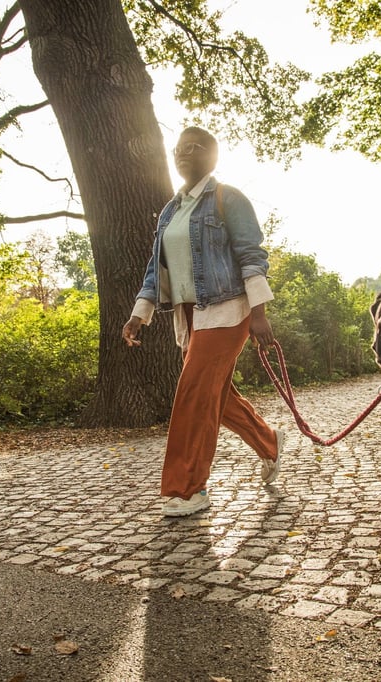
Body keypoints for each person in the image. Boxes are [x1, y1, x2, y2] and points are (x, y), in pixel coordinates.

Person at [122, 126, 284, 517]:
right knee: (217, 396)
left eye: (194, 148)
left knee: (194, 395)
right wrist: (138, 314)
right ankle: (268, 442)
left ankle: (186, 488)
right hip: (190, 315)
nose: (183, 154)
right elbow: (155, 268)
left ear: (212, 156)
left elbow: (251, 254)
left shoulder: (229, 199)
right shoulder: (171, 210)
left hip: (228, 309)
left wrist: (259, 313)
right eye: (178, 149)